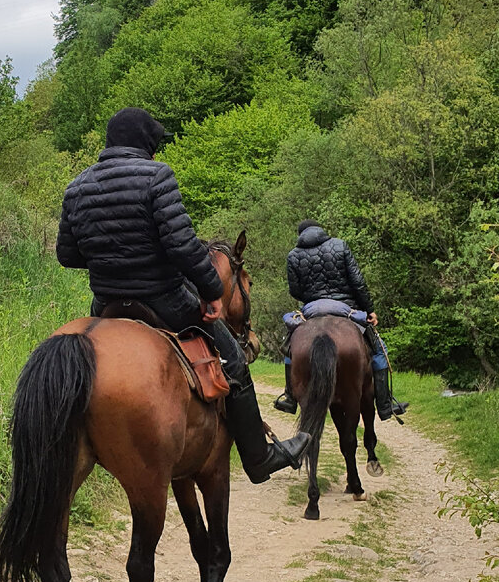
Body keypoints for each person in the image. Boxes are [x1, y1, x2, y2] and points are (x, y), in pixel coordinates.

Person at [56, 107, 311, 484]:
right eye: (154, 145)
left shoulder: (77, 186)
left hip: (106, 305)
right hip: (162, 300)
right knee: (236, 365)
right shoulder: (157, 176)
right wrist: (211, 291)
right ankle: (260, 458)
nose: (156, 153)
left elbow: (67, 254)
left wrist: (109, 256)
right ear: (145, 145)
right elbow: (182, 245)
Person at [273, 220, 408, 420]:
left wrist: (313, 298)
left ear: (301, 234)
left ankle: (290, 398)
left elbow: (295, 290)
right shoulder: (339, 245)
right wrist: (369, 310)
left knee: (291, 347)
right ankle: (385, 403)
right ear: (321, 230)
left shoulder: (293, 255)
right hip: (345, 307)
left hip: (312, 308)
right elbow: (357, 282)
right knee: (379, 349)